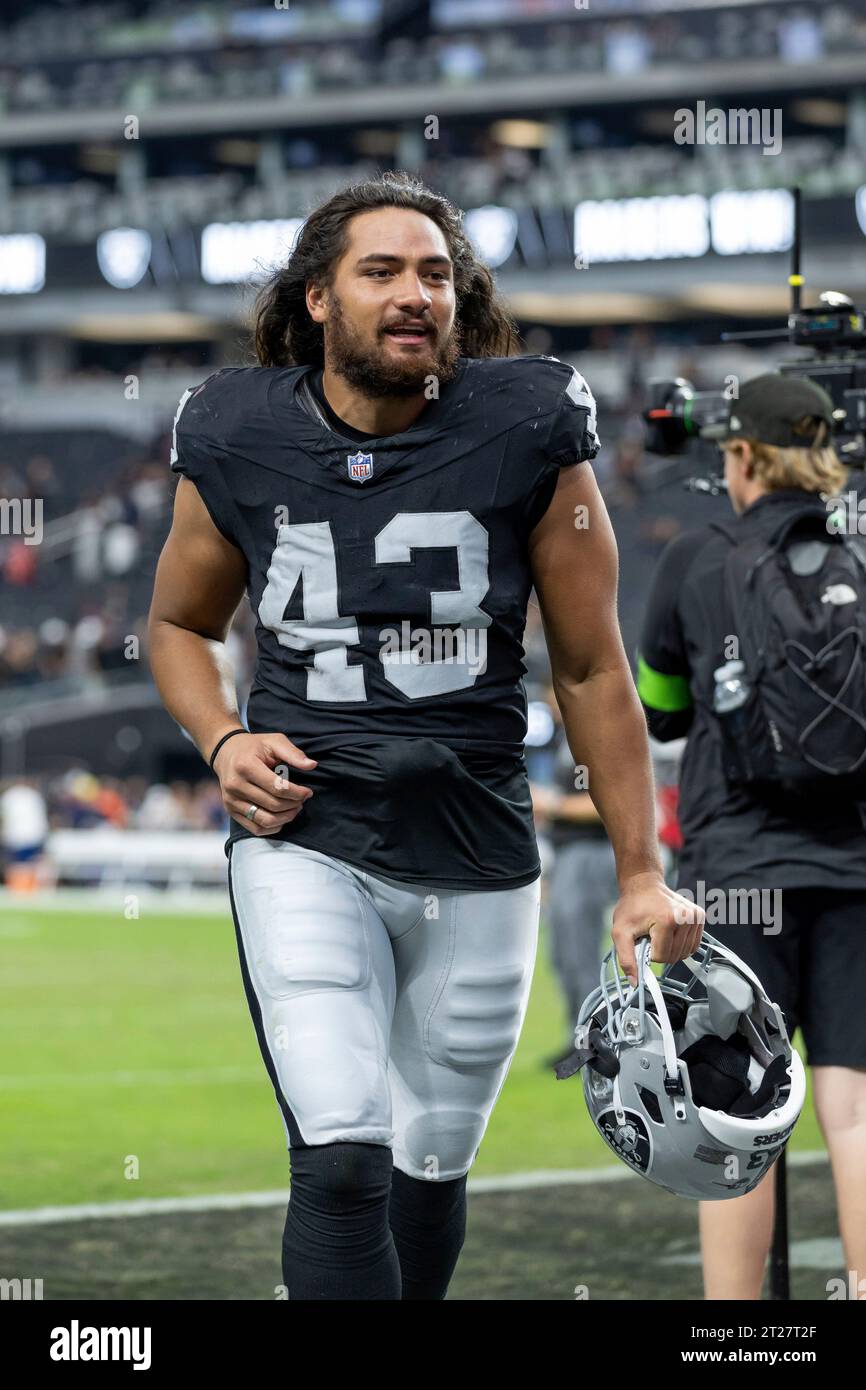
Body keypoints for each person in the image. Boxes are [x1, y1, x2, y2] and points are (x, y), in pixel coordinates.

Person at [148, 172, 702, 1301]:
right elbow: (175, 623)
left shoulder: (529, 420)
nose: (416, 295)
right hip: (308, 830)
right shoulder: (236, 428)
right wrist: (218, 738)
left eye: (436, 274)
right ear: (316, 298)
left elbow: (590, 664)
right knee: (342, 1157)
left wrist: (641, 872)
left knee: (428, 1167)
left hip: (477, 842)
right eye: (383, 271)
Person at [637, 372, 866, 1300]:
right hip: (856, 868)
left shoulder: (697, 555)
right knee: (853, 1111)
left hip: (735, 876)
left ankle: (740, 1340)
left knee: (736, 1113)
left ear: (740, 454)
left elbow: (660, 711)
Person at [531, 696, 619, 1064]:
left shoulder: (595, 731)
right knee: (563, 954)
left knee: (580, 954)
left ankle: (598, 1040)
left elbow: (608, 801)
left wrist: (550, 803)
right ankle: (581, 1034)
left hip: (589, 852)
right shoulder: (563, 735)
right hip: (567, 854)